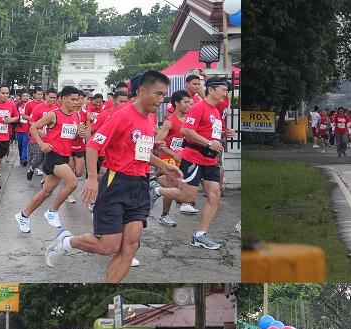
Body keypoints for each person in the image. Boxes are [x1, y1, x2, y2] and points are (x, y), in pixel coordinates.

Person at [45, 71, 182, 281]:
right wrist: (92, 178)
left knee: (131, 245)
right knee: (109, 246)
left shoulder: (150, 118)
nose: (162, 99)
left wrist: (164, 165)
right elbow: (93, 145)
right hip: (116, 182)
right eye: (158, 94)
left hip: (140, 185)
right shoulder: (122, 115)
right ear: (142, 90)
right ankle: (66, 242)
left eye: (164, 95)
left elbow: (142, 152)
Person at [174, 76, 235, 251]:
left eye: (226, 91)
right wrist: (208, 143)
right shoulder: (198, 107)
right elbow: (186, 130)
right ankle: (157, 189)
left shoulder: (215, 111)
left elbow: (208, 131)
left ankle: (200, 235)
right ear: (211, 90)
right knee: (187, 198)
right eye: (223, 90)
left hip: (210, 160)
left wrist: (223, 134)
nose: (225, 93)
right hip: (194, 158)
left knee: (214, 195)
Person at [15, 85, 83, 233]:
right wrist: (41, 143)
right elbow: (33, 128)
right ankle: (52, 212)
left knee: (46, 192)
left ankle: (23, 216)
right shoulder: (53, 114)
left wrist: (79, 135)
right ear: (63, 99)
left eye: (77, 99)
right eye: (72, 99)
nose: (76, 102)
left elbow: (73, 138)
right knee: (72, 183)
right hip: (53, 156)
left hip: (65, 156)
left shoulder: (77, 116)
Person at [152, 89, 198, 227]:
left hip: (183, 157)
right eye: (186, 102)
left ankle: (155, 180)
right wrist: (172, 153)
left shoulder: (188, 121)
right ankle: (164, 215)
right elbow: (157, 144)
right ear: (176, 103)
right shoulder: (169, 122)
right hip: (168, 157)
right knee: (172, 185)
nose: (188, 105)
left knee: (180, 188)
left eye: (190, 103)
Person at [25, 88, 58, 181]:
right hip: (37, 139)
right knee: (38, 159)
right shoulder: (38, 107)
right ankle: (32, 168)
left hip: (50, 140)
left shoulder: (57, 109)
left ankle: (44, 181)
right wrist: (38, 130)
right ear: (46, 96)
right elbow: (31, 121)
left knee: (47, 161)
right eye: (50, 97)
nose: (52, 99)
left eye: (54, 98)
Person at [15, 91, 31, 165]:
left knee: (25, 144)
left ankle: (25, 159)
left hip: (27, 128)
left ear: (29, 97)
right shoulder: (18, 105)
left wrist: (27, 117)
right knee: (20, 145)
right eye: (24, 96)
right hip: (19, 128)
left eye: (27, 96)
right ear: (21, 97)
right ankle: (21, 158)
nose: (25, 97)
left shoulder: (30, 105)